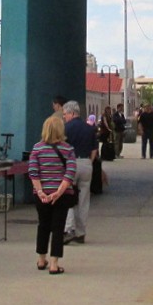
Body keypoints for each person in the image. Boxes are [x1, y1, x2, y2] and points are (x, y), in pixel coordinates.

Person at [28, 114, 77, 274]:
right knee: (58, 227)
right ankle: (54, 264)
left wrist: (41, 192)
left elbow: (33, 172)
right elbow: (70, 173)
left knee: (43, 225)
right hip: (62, 195)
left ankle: (41, 259)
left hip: (41, 194)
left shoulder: (37, 148)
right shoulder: (68, 149)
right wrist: (58, 192)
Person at [61, 101, 97, 244]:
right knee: (83, 200)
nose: (64, 117)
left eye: (65, 114)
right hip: (86, 163)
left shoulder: (65, 128)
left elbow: (61, 147)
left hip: (71, 164)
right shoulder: (89, 129)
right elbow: (94, 149)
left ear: (72, 113)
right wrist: (90, 161)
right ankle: (81, 232)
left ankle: (69, 229)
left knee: (68, 197)